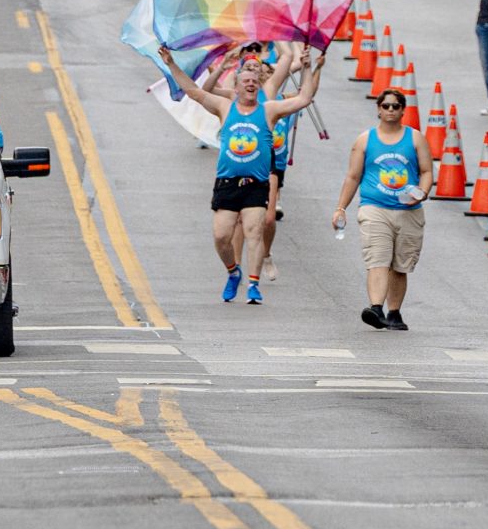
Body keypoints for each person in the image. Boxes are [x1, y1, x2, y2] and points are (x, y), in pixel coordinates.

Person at [160, 41, 321, 308]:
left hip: (256, 184)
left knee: (253, 231)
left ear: (258, 85)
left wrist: (305, 67)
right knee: (221, 236)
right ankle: (233, 271)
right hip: (227, 183)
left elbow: (303, 99)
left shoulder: (268, 111)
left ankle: (254, 284)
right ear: (235, 87)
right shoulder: (225, 108)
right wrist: (171, 64)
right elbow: (193, 91)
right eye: (245, 80)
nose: (250, 84)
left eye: (254, 81)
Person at [333, 87, 427, 330]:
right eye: (386, 106)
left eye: (396, 106)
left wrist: (421, 193)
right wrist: (341, 207)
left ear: (403, 110)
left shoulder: (415, 138)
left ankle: (394, 313)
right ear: (378, 109)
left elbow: (427, 172)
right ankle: (376, 308)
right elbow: (353, 177)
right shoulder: (365, 140)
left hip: (408, 211)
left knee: (400, 265)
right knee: (378, 259)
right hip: (374, 208)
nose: (391, 110)